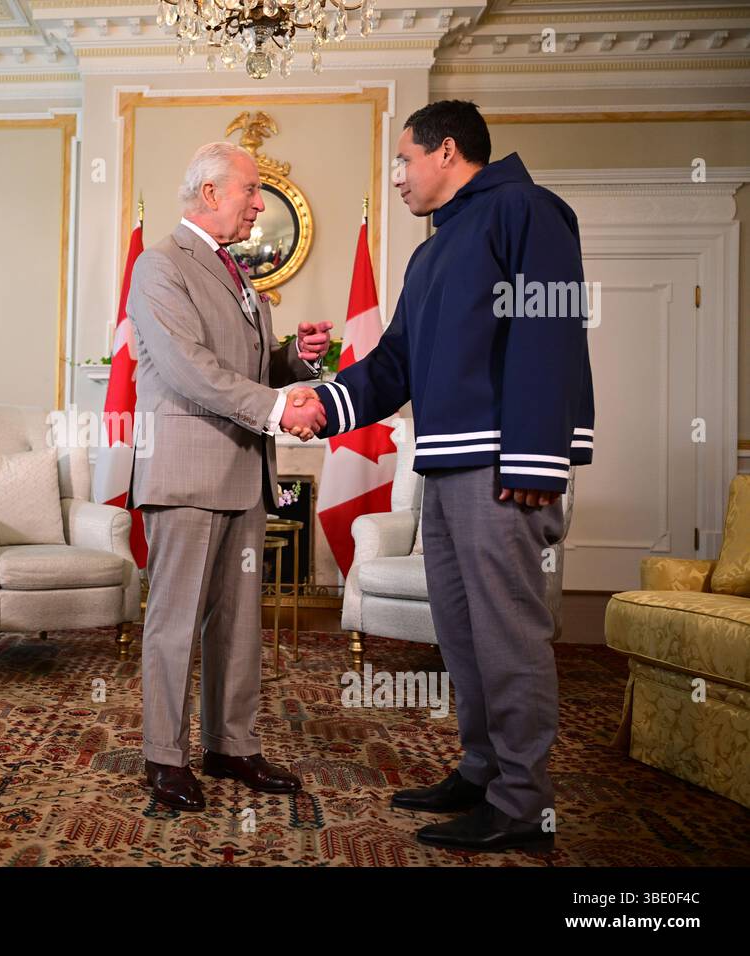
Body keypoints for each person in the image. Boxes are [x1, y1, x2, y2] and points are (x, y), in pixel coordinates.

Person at [309, 100, 595, 851]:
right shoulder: (432, 252)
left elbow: (551, 327)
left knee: (508, 635)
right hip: (444, 464)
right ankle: (482, 771)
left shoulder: (528, 210)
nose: (397, 178)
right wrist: (324, 403)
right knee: (464, 633)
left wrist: (538, 456)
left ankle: (523, 805)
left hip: (505, 465)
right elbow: (395, 362)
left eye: (403, 160)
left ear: (446, 151)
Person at [126, 141, 333, 812]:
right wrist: (278, 406)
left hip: (244, 471)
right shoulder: (160, 265)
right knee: (175, 621)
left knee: (240, 623)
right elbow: (188, 367)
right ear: (209, 193)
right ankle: (164, 756)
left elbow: (243, 370)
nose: (257, 203)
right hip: (186, 473)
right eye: (249, 190)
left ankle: (230, 744)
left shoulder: (237, 274)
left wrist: (292, 363)